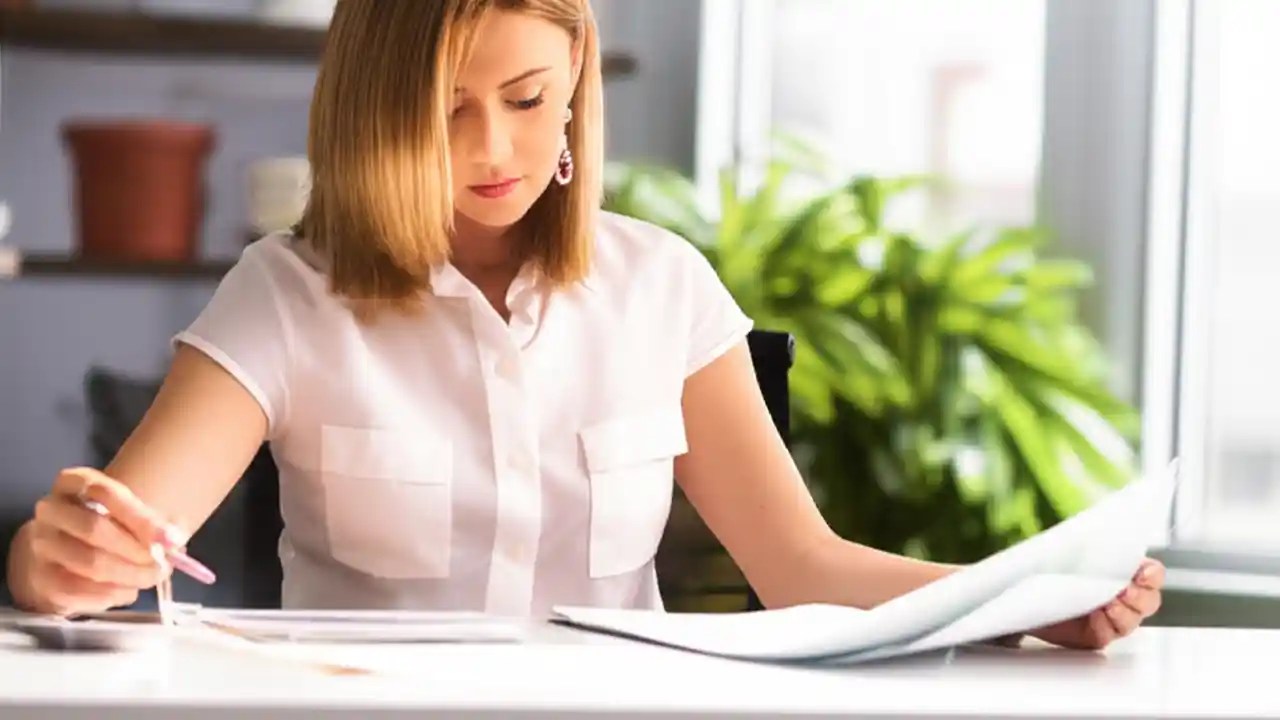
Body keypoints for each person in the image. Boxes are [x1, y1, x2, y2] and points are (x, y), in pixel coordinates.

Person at [6, 0, 1162, 651]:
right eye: (447, 111)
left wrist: (1024, 604)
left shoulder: (662, 286)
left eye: (525, 101)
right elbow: (114, 542)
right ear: (375, 118)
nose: (494, 151)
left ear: (571, 99)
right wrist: (59, 562)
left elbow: (804, 567)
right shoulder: (286, 292)